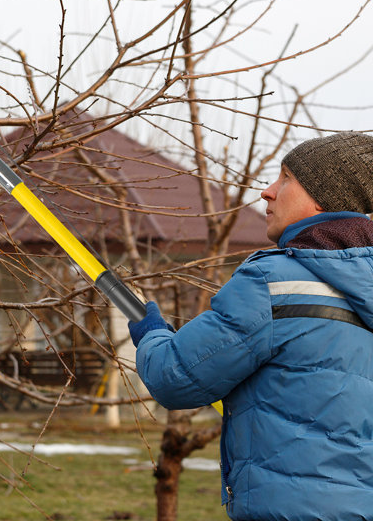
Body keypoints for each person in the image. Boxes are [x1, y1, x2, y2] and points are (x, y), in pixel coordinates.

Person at [128, 132, 373, 521]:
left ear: (323, 196)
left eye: (286, 178)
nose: (267, 191)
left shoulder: (274, 283)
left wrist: (150, 331)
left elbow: (174, 376)